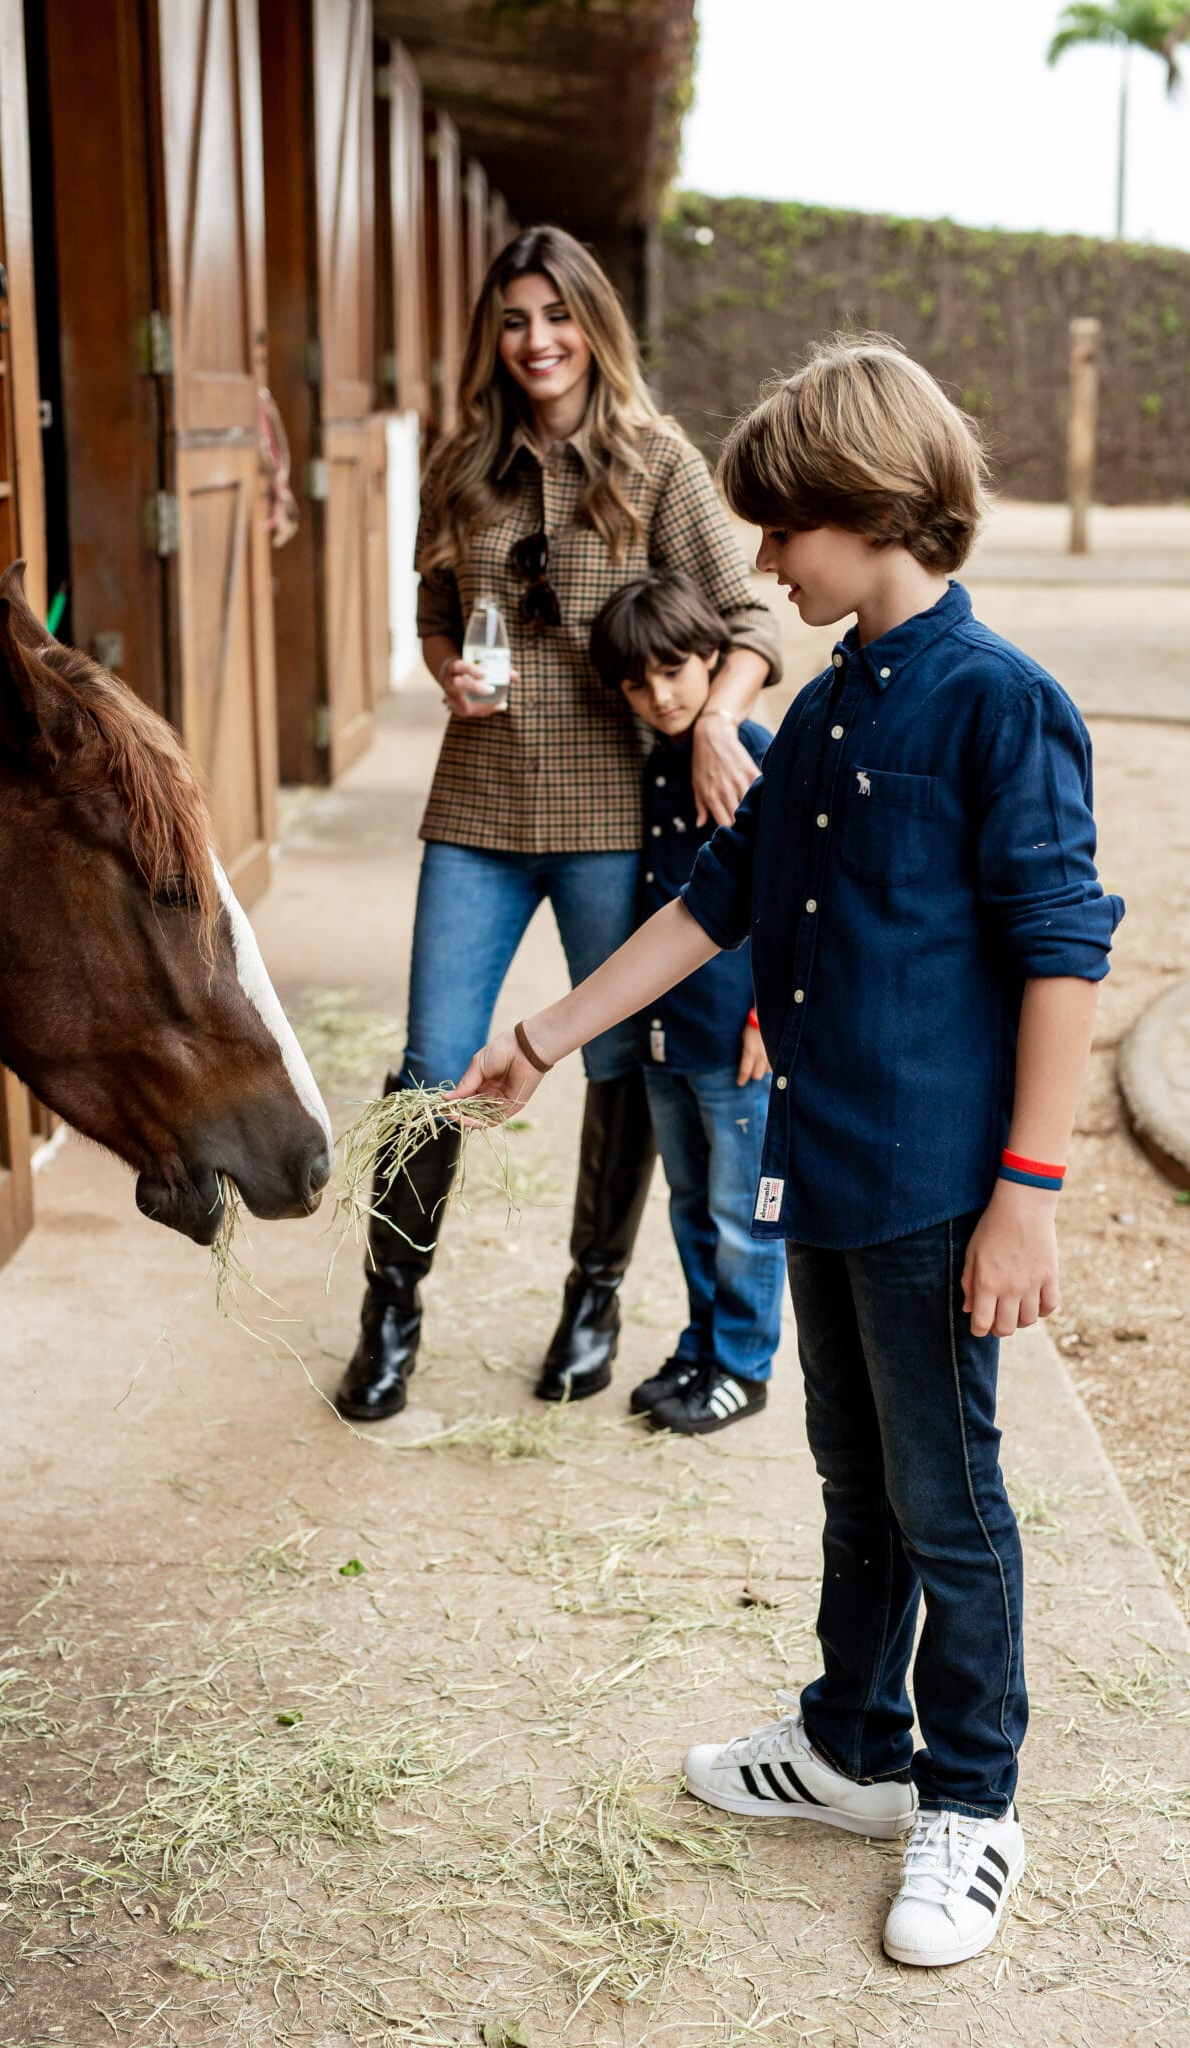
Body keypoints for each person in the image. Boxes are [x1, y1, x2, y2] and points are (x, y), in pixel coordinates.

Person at [451, 336, 1123, 1968]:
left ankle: (973, 1795)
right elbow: (710, 905)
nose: (760, 560)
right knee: (853, 1479)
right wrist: (544, 1032)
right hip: (819, 1172)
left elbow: (1061, 957)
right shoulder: (822, 712)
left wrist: (1025, 1197)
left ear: (865, 508)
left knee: (947, 1497)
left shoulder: (1004, 707)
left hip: (938, 1191)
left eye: (779, 531)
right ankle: (852, 1742)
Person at [336, 225, 781, 1424]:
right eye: (516, 318)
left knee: (616, 1059)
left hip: (610, 816)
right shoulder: (464, 462)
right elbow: (435, 608)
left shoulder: (659, 460)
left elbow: (748, 618)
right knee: (430, 1069)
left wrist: (714, 724)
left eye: (558, 314)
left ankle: (593, 1300)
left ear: (595, 323)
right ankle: (391, 1312)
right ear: (496, 334)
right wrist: (444, 670)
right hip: (477, 802)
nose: (537, 340)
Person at [588, 572, 784, 1433]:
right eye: (637, 683)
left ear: (714, 659)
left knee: (743, 1216)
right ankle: (703, 1343)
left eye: (674, 670)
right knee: (689, 1203)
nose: (659, 695)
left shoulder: (752, 753)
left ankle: (743, 1365)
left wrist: (767, 1020)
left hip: (737, 1038)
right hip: (666, 1036)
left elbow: (797, 899)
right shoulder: (656, 764)